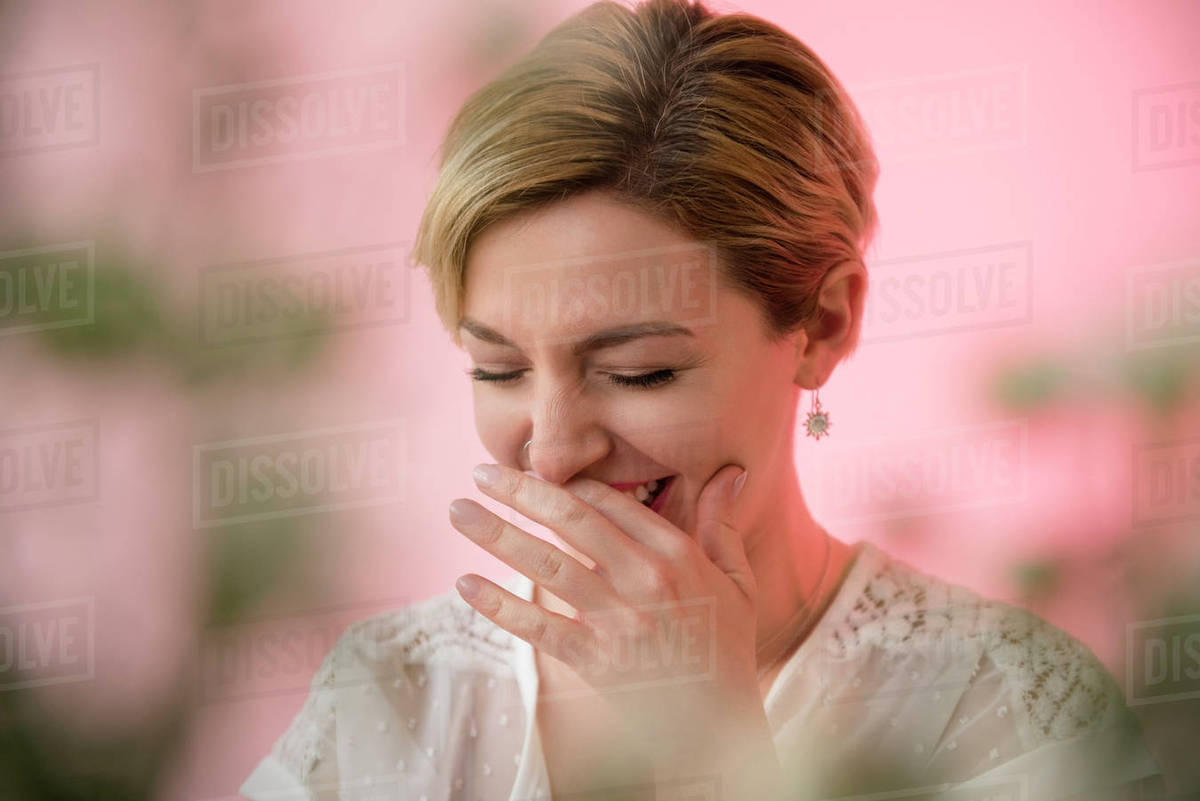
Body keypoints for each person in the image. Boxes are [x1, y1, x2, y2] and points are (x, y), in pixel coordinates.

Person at [241, 1, 1162, 798]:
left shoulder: (1006, 702)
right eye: (499, 370)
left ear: (824, 322)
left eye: (638, 372)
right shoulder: (391, 695)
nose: (555, 455)